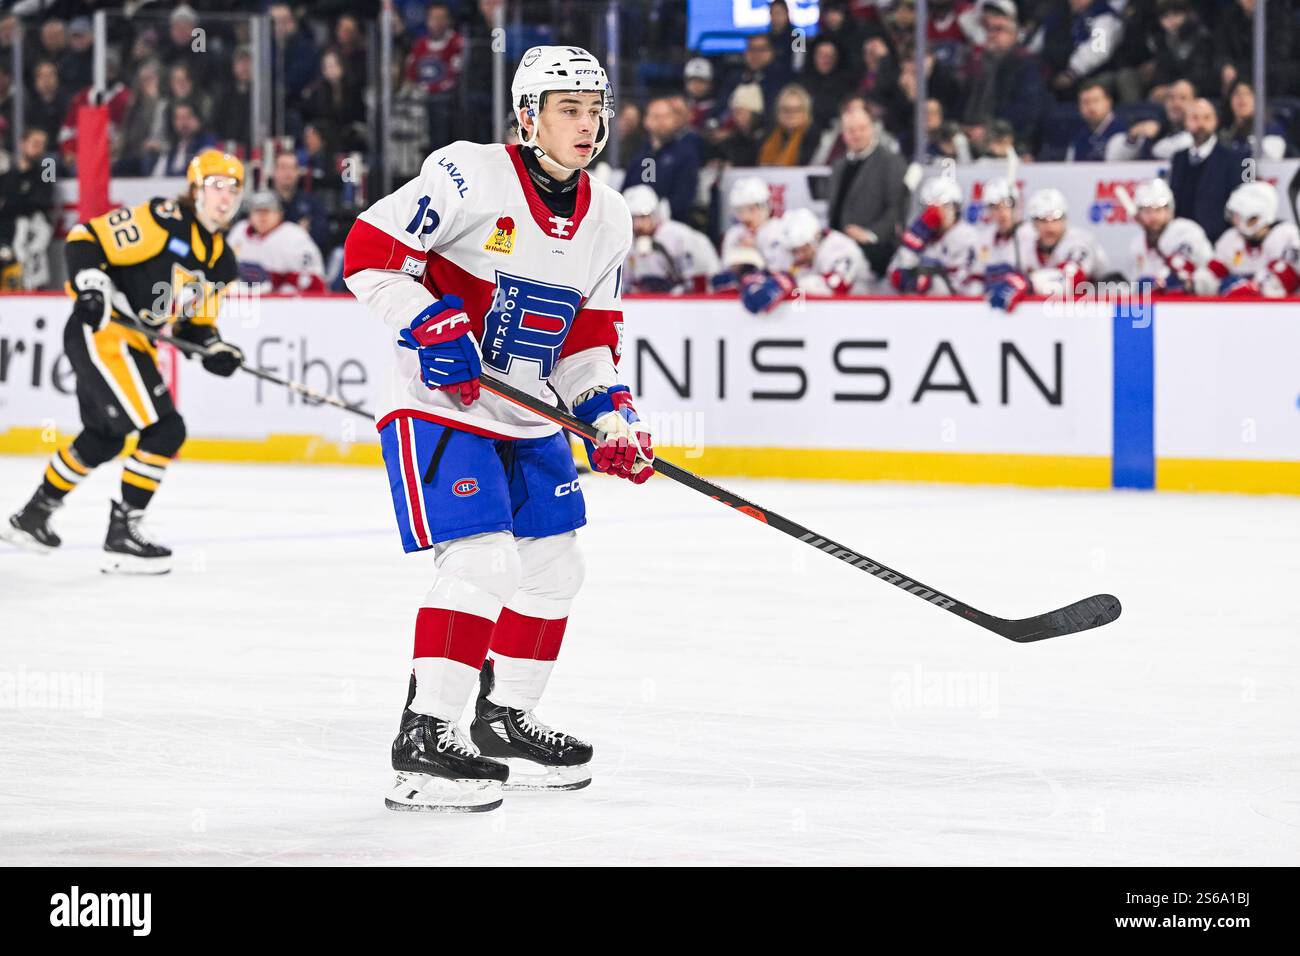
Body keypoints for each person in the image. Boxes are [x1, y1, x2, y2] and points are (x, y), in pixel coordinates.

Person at [342, 46, 651, 811]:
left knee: (555, 568)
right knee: (482, 563)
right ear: (527, 116)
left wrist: (610, 414)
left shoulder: (609, 215)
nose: (587, 125)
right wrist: (428, 321)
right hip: (437, 403)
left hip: (525, 409)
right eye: (568, 109)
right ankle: (426, 735)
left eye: (595, 109)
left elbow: (585, 343)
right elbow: (368, 255)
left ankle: (504, 715)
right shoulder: (467, 173)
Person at [1, 150, 246, 572]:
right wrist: (92, 286)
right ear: (195, 189)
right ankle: (122, 534)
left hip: (131, 341)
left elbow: (193, 328)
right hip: (103, 332)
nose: (224, 197)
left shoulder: (222, 261)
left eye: (233, 188)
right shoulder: (165, 218)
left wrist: (215, 350)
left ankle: (34, 515)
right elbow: (86, 238)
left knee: (106, 436)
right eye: (215, 186)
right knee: (166, 430)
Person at [824, 102, 907, 277]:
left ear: (872, 128)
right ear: (843, 134)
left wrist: (870, 234)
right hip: (837, 243)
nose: (856, 135)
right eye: (851, 130)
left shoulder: (890, 162)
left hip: (874, 248)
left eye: (862, 128)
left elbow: (896, 208)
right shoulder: (839, 165)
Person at [740, 208, 872, 314]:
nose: (797, 256)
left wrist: (792, 284)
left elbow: (837, 287)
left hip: (859, 314)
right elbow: (776, 272)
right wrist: (761, 279)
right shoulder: (793, 247)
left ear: (815, 238)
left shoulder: (841, 248)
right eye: (793, 251)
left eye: (802, 250)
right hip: (819, 318)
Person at [1168, 98, 1249, 243]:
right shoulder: (1178, 158)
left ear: (1215, 121)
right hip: (1183, 240)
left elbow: (1239, 202)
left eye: (1206, 118)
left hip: (1219, 241)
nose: (1200, 124)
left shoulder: (1233, 158)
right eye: (1195, 118)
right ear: (1186, 122)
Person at [887, 177, 983, 296]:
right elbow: (895, 276)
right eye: (931, 210)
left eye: (945, 207)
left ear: (956, 208)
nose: (938, 214)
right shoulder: (919, 234)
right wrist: (917, 235)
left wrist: (927, 282)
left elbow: (962, 287)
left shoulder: (967, 236)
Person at [621, 184, 720, 293]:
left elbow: (697, 279)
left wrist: (676, 291)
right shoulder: (627, 241)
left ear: (655, 214)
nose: (638, 225)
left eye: (643, 217)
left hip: (682, 300)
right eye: (633, 218)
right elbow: (626, 280)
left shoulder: (679, 236)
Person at [1209, 182, 1300, 299]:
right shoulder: (1230, 238)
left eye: (1239, 216)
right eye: (1234, 215)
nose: (1235, 221)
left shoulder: (1287, 236)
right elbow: (1210, 277)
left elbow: (1283, 282)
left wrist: (1252, 289)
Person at [1127, 178, 1217, 294]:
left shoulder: (1186, 230)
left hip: (1199, 302)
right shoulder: (1137, 245)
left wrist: (1163, 282)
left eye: (1158, 210)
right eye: (1147, 211)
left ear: (1169, 210)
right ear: (1139, 214)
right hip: (1160, 307)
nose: (1153, 217)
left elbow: (1182, 271)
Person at [622, 96, 700, 224]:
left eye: (667, 117)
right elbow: (625, 192)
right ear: (646, 121)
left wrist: (654, 218)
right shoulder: (639, 155)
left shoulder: (685, 154)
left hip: (670, 228)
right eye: (657, 117)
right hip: (634, 226)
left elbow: (683, 200)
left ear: (675, 120)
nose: (662, 122)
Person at [229, 191, 326, 294]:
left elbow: (314, 282)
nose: (262, 216)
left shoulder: (295, 236)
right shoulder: (238, 232)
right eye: (258, 211)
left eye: (268, 211)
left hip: (285, 303)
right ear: (250, 215)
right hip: (245, 301)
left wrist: (277, 284)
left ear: (279, 214)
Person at [720, 176, 788, 277]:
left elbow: (783, 271)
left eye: (751, 209)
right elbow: (725, 269)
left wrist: (757, 248)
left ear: (765, 206)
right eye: (740, 210)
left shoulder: (780, 231)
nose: (745, 216)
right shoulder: (734, 233)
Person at [1066, 80, 1124, 162]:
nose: (1091, 107)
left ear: (1108, 102)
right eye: (1085, 102)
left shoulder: (1124, 131)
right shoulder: (1077, 137)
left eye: (1096, 101)